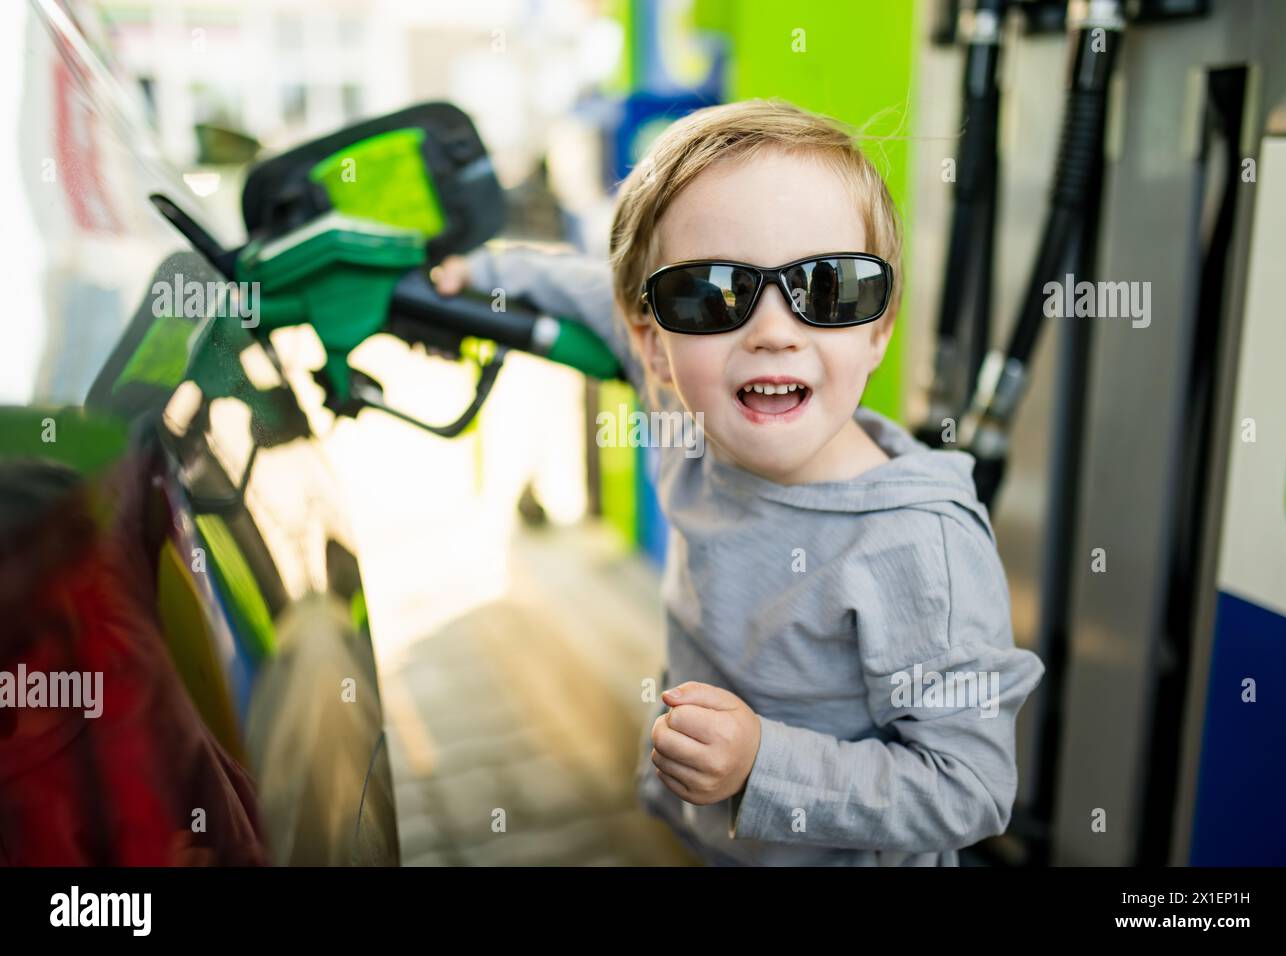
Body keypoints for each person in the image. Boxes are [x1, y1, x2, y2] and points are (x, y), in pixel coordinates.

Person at [432, 98, 1045, 865]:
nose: (774, 329)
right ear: (654, 345)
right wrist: (481, 276)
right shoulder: (689, 414)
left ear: (880, 327)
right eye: (712, 293)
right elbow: (600, 292)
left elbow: (970, 785)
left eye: (828, 288)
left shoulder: (918, 544)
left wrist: (764, 764)